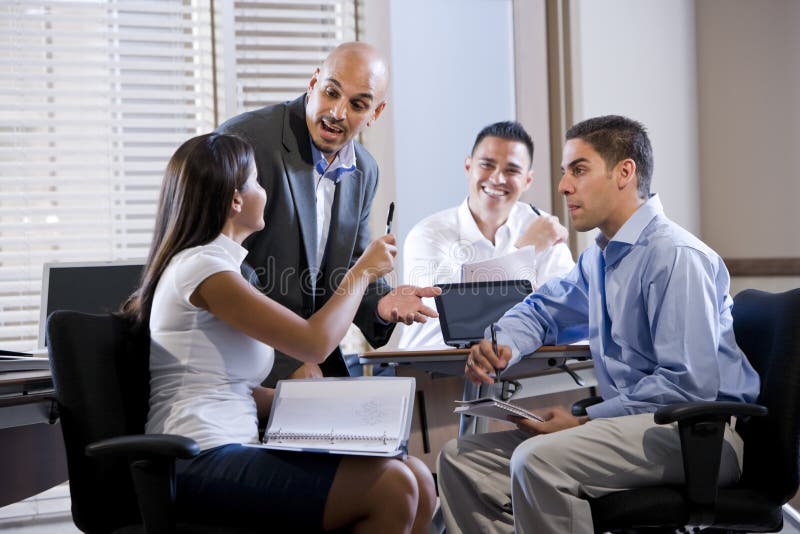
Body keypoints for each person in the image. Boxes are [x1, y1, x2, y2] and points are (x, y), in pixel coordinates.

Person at [436, 115, 760, 534]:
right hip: (635, 427)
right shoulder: (600, 259)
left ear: (625, 172)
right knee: (462, 460)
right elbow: (543, 310)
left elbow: (686, 386)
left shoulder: (676, 256)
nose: (563, 186)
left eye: (579, 170)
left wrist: (586, 422)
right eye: (564, 172)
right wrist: (503, 343)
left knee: (537, 460)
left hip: (699, 436)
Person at [122, 133, 435, 532]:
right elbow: (314, 342)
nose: (263, 191)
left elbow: (230, 388)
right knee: (392, 487)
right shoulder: (203, 269)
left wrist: (322, 403)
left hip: (233, 446)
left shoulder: (223, 267)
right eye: (255, 181)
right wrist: (363, 273)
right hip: (196, 458)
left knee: (419, 480)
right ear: (235, 200)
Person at [217, 42, 438, 386]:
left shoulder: (364, 170)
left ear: (376, 112)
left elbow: (347, 268)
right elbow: (224, 265)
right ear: (313, 82)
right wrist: (285, 363)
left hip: (315, 358)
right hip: (246, 354)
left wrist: (381, 304)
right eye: (331, 93)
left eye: (357, 104)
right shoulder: (247, 140)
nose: (337, 112)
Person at [399, 121, 574, 349]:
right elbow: (460, 320)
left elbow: (565, 312)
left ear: (527, 180)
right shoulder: (428, 235)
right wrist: (526, 250)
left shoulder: (544, 227)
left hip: (523, 369)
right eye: (487, 165)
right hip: (435, 369)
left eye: (512, 170)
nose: (497, 178)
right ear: (468, 167)